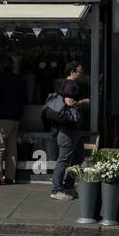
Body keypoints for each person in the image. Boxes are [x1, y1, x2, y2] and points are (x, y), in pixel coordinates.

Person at [49, 62, 90, 201]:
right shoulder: (70, 85)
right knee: (63, 160)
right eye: (80, 72)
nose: (82, 75)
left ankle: (68, 186)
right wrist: (84, 101)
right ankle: (56, 190)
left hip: (73, 130)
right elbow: (69, 102)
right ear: (72, 72)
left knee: (79, 157)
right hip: (67, 131)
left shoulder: (71, 84)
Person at [0, 59, 26, 185]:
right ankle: (10, 176)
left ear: (0, 66)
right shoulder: (18, 79)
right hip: (15, 117)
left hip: (1, 117)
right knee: (11, 150)